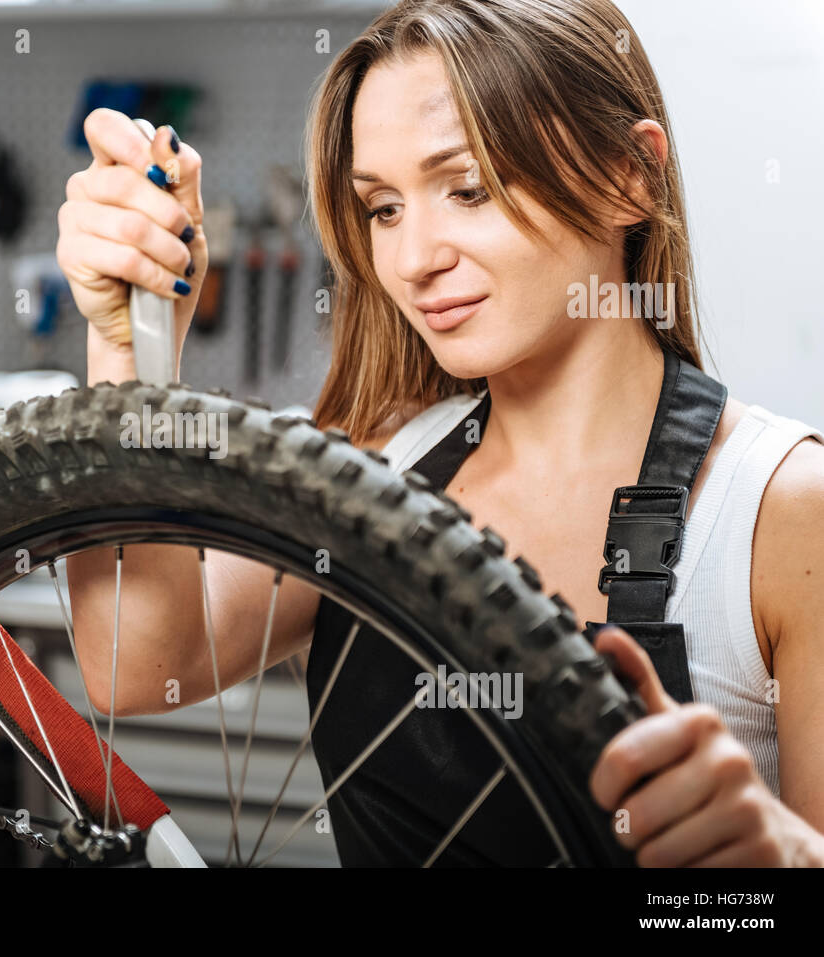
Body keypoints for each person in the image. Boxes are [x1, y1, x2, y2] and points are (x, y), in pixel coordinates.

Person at [54, 0, 824, 866]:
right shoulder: (380, 463)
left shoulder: (780, 511)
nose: (414, 258)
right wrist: (129, 343)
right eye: (382, 208)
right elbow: (138, 662)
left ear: (629, 174)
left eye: (466, 188)